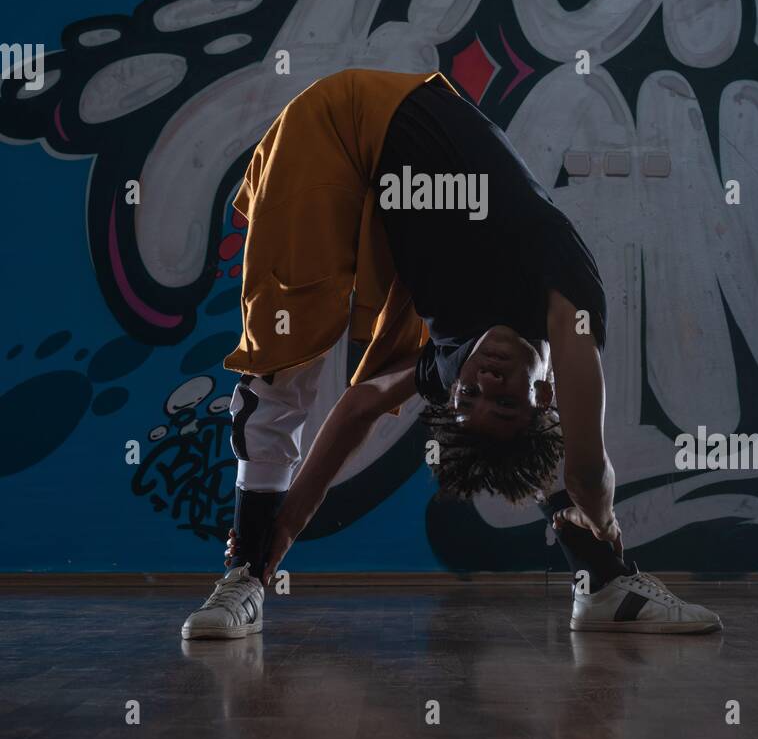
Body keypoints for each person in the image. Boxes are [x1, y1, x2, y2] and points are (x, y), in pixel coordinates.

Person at [182, 68, 721, 640]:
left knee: (291, 355)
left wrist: (282, 532)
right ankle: (608, 579)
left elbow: (357, 409)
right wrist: (607, 526)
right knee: (287, 345)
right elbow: (587, 463)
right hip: (346, 122)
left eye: (473, 395)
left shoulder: (452, 365)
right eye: (506, 399)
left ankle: (248, 574)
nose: (488, 380)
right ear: (543, 394)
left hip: (381, 180)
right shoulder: (568, 299)